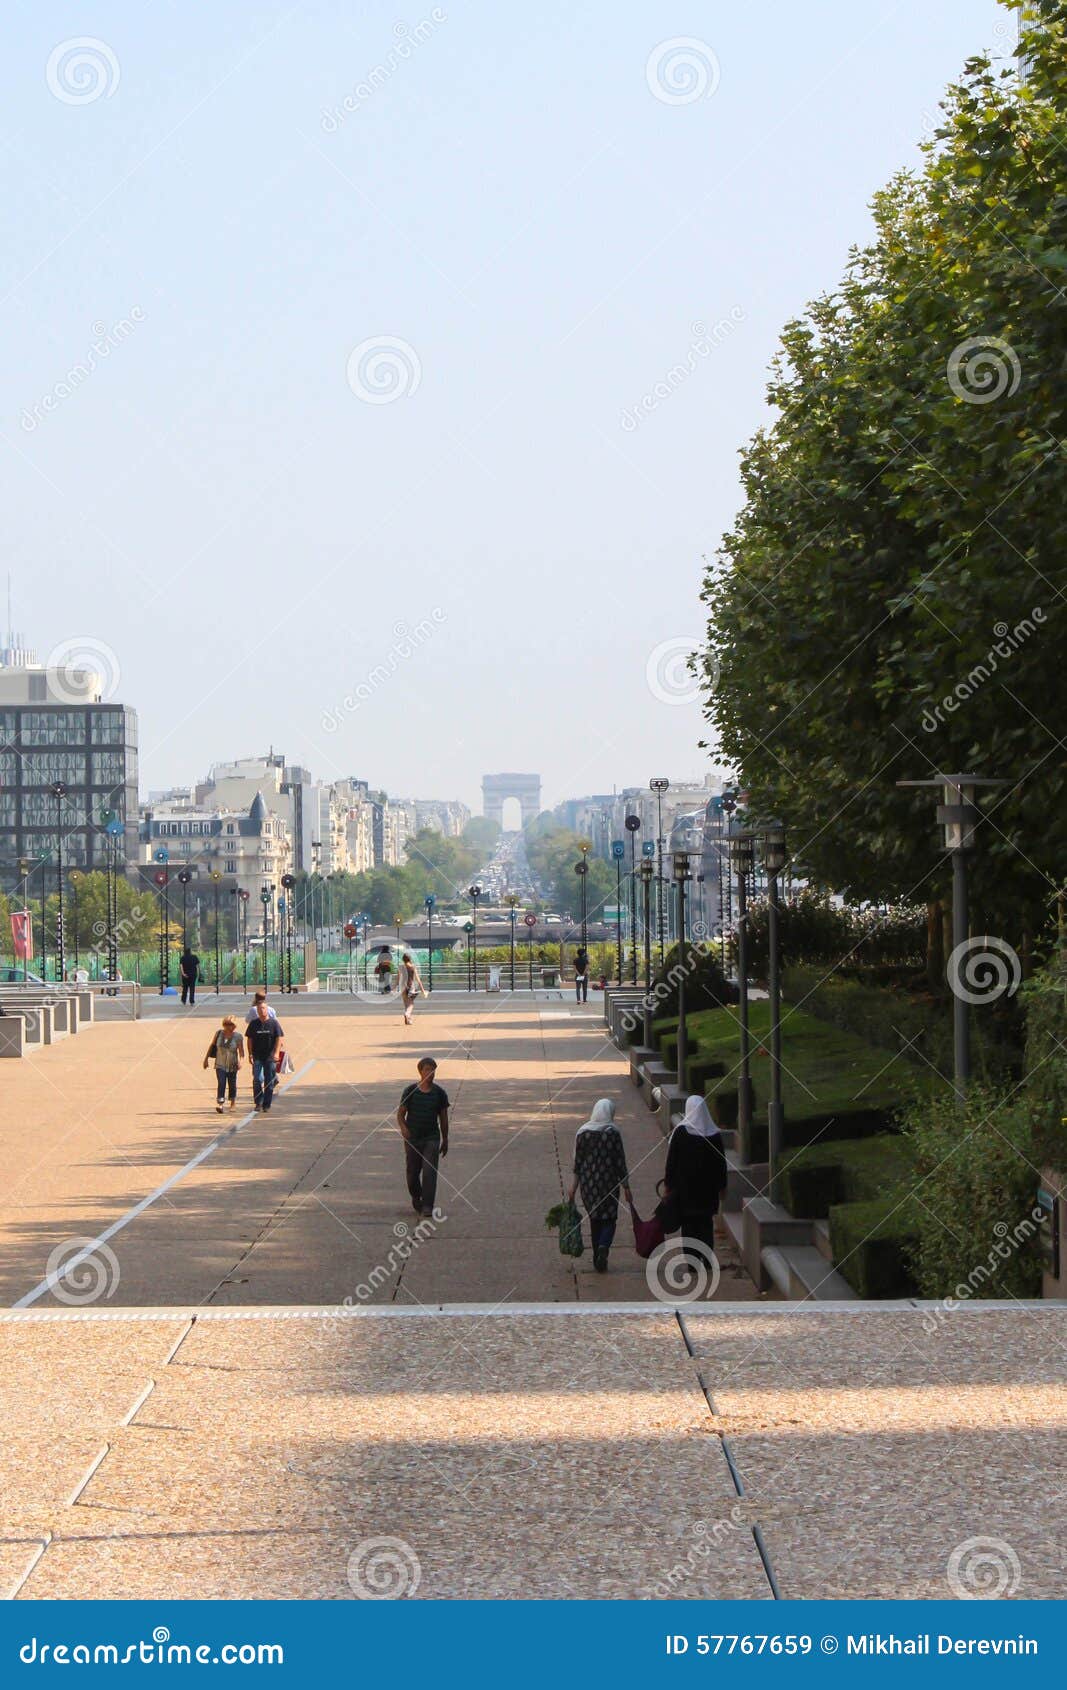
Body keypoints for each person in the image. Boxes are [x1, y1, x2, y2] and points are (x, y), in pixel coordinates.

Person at [662, 1095, 728, 1271]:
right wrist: (722, 1186)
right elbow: (721, 1164)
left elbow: (672, 1162)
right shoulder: (713, 1134)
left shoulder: (681, 1132)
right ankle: (706, 1258)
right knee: (706, 1224)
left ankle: (692, 1262)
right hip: (708, 1191)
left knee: (688, 1226)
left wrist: (668, 1185)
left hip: (685, 1192)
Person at [567, 1098, 631, 1273]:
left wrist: (573, 1187)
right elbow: (620, 1162)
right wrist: (626, 1187)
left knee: (595, 1219)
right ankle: (604, 1246)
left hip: (589, 1185)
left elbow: (577, 1164)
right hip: (609, 1183)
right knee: (609, 1218)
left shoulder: (583, 1132)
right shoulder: (613, 1133)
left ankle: (597, 1255)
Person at [397, 1056, 449, 1219]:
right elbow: (400, 1114)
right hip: (413, 1138)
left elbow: (443, 1117)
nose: (430, 1073)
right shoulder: (410, 1091)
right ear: (420, 1072)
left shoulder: (439, 1093)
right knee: (412, 1173)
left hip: (431, 1138)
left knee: (429, 1172)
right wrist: (404, 1128)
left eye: (432, 1070)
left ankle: (427, 1205)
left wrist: (445, 1139)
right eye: (427, 1069)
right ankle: (416, 1196)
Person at [245, 1000, 283, 1113]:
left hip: (270, 1056)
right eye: (259, 1009)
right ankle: (258, 1102)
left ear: (267, 1010)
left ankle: (267, 1104)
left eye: (263, 1008)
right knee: (257, 1079)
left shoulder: (274, 1023)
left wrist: (276, 1053)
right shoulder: (253, 1024)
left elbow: (279, 1038)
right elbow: (249, 1039)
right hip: (257, 1056)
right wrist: (250, 1054)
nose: (261, 1010)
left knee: (269, 1080)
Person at [203, 1015, 244, 1113]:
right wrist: (206, 1059)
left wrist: (241, 1062)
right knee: (221, 1083)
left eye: (230, 1024)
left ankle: (232, 1103)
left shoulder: (238, 1037)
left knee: (232, 1084)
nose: (228, 1026)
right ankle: (220, 1104)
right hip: (220, 1064)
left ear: (234, 1026)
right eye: (226, 1024)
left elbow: (241, 1052)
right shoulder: (218, 1034)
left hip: (232, 1064)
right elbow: (212, 1046)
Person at [399, 950, 425, 1026]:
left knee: (406, 1004)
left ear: (403, 959)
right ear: (410, 959)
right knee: (411, 1004)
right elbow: (418, 979)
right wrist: (423, 990)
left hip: (402, 986)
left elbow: (397, 978)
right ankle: (407, 1014)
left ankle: (408, 1020)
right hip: (411, 986)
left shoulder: (400, 967)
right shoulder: (413, 967)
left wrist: (394, 987)